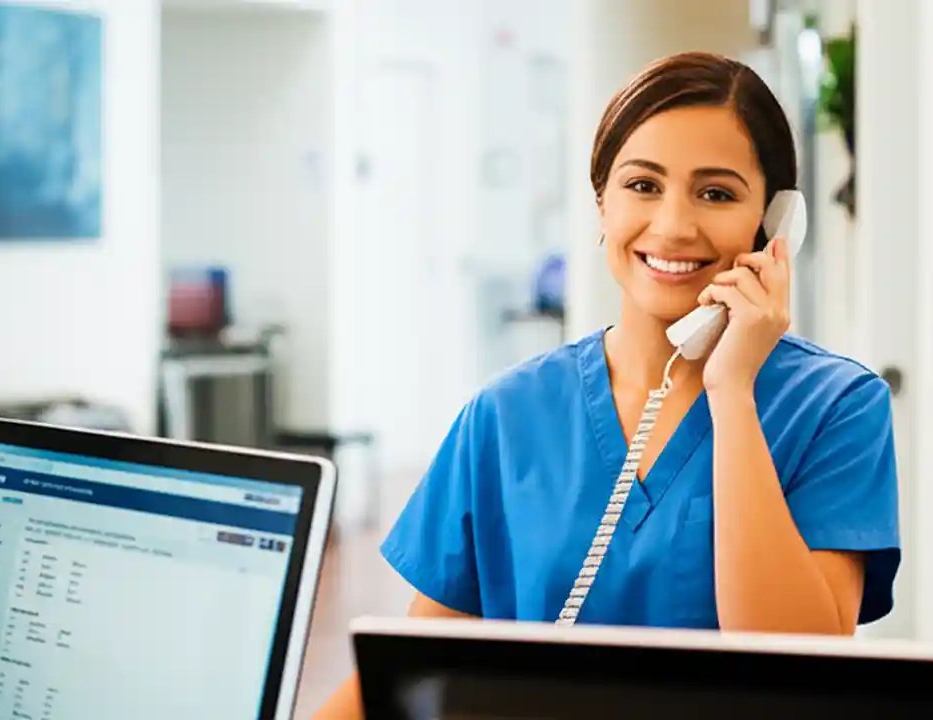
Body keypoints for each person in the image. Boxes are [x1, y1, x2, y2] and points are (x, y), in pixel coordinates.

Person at [314, 51, 900, 718]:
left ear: (773, 224)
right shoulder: (508, 414)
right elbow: (412, 668)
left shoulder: (836, 408)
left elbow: (803, 669)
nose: (673, 225)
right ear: (602, 202)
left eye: (716, 193)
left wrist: (731, 390)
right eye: (643, 185)